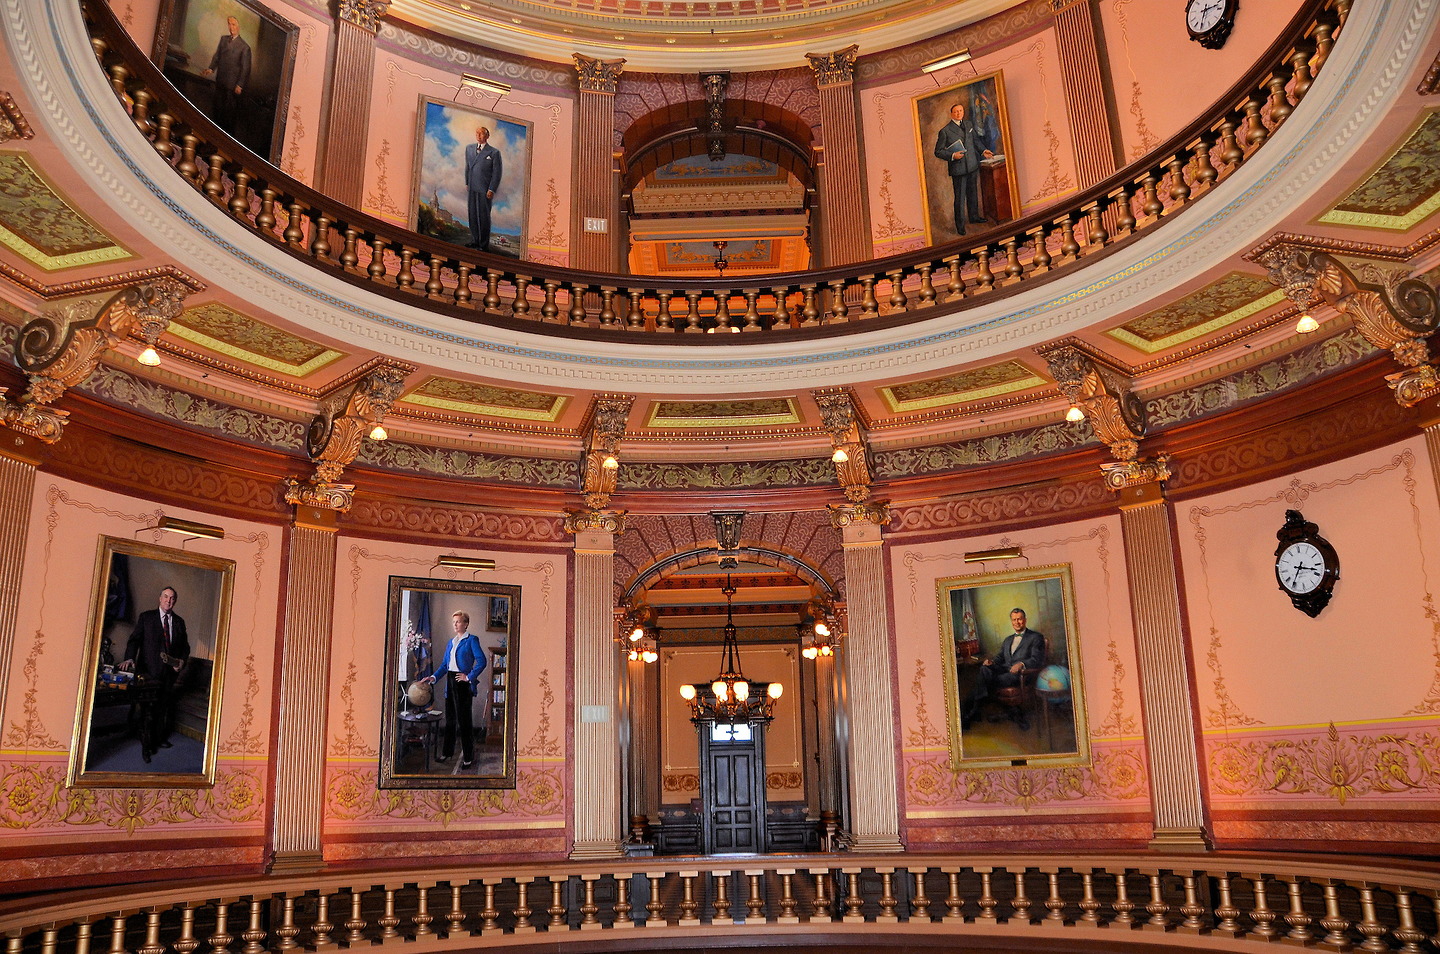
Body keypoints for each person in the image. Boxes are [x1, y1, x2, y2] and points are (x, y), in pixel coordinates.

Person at [118, 586, 190, 763]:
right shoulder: (146, 617)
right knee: (148, 709)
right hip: (148, 672)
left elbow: (185, 647)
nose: (168, 601)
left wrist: (181, 661)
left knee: (162, 706)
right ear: (160, 599)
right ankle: (147, 745)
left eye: (172, 598)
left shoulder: (179, 622)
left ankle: (157, 738)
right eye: (165, 597)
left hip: (168, 675)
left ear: (175, 601)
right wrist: (129, 658)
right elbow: (134, 640)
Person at [419, 611, 487, 767]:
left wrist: (468, 676)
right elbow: (445, 665)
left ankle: (468, 757)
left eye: (458, 621)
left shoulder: (471, 640)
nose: (455, 624)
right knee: (450, 720)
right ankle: (447, 753)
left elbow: (482, 661)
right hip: (450, 681)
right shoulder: (451, 642)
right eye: (454, 622)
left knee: (464, 722)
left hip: (462, 683)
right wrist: (433, 677)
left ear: (466, 624)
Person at [962, 607, 1044, 731]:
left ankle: (973, 711)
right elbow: (1000, 657)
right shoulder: (1008, 640)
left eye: (1019, 619)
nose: (1017, 622)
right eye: (1014, 620)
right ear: (1011, 621)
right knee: (985, 669)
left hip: (1020, 675)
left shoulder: (1036, 637)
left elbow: (1036, 659)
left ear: (1025, 620)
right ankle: (975, 710)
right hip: (1005, 671)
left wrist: (1021, 663)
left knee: (986, 681)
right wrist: (992, 662)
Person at [933, 102, 994, 235]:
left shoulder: (968, 125)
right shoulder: (945, 131)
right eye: (956, 111)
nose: (959, 113)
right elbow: (938, 151)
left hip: (972, 165)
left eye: (960, 111)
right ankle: (960, 226)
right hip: (958, 169)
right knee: (960, 198)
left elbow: (976, 141)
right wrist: (953, 155)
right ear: (951, 114)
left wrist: (983, 151)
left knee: (973, 194)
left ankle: (974, 217)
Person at [201, 16, 251, 136]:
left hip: (232, 86)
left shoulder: (244, 47)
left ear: (238, 27)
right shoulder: (223, 40)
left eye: (233, 25)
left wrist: (240, 85)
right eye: (229, 24)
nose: (231, 27)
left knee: (228, 115)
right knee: (217, 110)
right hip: (220, 81)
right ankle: (213, 134)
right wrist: (211, 68)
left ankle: (226, 137)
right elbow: (217, 56)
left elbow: (246, 69)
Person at [464, 126, 503, 250]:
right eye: (477, 133)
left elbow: (497, 172)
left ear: (487, 136)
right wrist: (467, 182)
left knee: (483, 216)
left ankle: (483, 245)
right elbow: (468, 167)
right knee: (472, 214)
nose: (479, 136)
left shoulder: (494, 152)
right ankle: (475, 241)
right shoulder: (469, 149)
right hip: (472, 187)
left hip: (484, 189)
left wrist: (491, 189)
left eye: (482, 134)